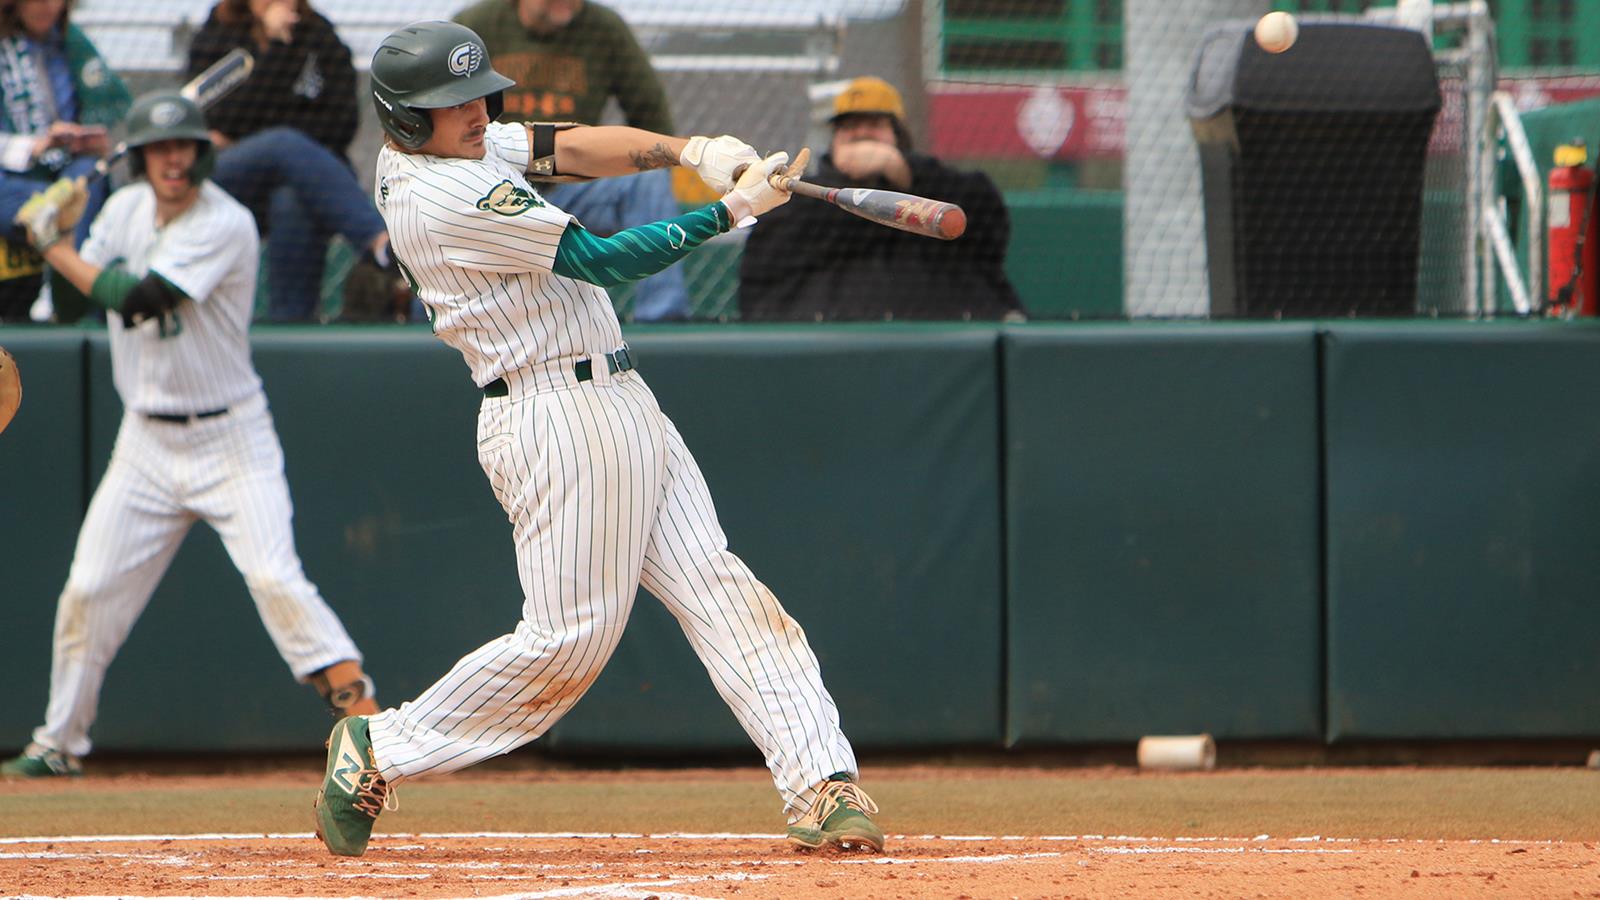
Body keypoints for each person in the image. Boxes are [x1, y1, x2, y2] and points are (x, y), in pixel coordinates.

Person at [310, 20, 883, 858]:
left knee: (723, 591)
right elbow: (603, 260)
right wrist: (732, 208)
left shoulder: (466, 147)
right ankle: (378, 746)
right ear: (404, 120)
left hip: (616, 394)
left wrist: (692, 149)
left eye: (477, 94)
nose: (475, 112)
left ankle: (822, 783)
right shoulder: (440, 194)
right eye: (452, 103)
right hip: (554, 417)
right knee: (567, 643)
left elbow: (568, 146)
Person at [0, 90, 380, 779]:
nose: (173, 159)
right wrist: (69, 224)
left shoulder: (225, 221)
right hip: (144, 442)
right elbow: (83, 297)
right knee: (87, 590)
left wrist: (49, 242)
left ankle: (368, 723)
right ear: (142, 156)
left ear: (201, 154)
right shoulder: (119, 209)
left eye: (184, 147)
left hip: (229, 438)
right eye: (159, 147)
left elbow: (139, 300)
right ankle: (59, 744)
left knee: (274, 577)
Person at [452, 0, 690, 322]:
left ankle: (664, 319)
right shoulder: (476, 26)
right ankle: (428, 330)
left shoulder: (604, 28)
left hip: (570, 187)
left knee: (648, 178)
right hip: (493, 191)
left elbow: (652, 118)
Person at [187, 0, 403, 322]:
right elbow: (212, 117)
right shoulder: (218, 34)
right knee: (283, 143)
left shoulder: (318, 34)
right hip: (228, 177)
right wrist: (273, 48)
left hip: (306, 183)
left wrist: (261, 136)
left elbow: (342, 123)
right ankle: (378, 242)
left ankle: (289, 326)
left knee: (292, 197)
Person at [739, 76, 1022, 322]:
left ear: (898, 137)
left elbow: (986, 222)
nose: (861, 133)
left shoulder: (943, 185)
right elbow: (766, 265)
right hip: (825, 349)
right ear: (834, 140)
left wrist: (905, 174)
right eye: (849, 126)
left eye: (874, 124)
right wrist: (845, 188)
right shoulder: (797, 197)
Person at [0, 0, 129, 322]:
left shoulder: (69, 42)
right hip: (10, 182)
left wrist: (90, 141)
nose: (47, 6)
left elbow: (112, 110)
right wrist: (34, 146)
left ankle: (62, 284)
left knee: (87, 177)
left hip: (62, 179)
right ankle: (49, 229)